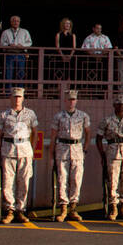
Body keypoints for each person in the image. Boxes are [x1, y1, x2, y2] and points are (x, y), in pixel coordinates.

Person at [0, 86, 40, 223]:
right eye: (15, 96)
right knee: (8, 182)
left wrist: (32, 150)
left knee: (24, 181)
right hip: (8, 150)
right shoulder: (4, 115)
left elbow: (35, 133)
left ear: (23, 98)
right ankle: (10, 210)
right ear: (11, 98)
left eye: (19, 97)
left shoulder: (30, 114)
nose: (17, 99)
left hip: (25, 150)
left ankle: (21, 210)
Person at [97, 93, 123, 221]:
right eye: (118, 104)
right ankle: (113, 207)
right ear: (114, 105)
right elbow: (98, 139)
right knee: (113, 180)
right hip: (112, 151)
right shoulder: (107, 121)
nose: (121, 107)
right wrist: (102, 155)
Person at [51, 88, 92, 223]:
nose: (71, 102)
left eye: (73, 99)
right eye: (69, 99)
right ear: (65, 100)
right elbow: (53, 136)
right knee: (62, 179)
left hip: (77, 149)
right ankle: (63, 208)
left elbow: (88, 133)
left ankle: (73, 208)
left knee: (76, 179)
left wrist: (85, 148)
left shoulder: (83, 116)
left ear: (76, 101)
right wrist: (52, 153)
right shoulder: (58, 116)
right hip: (62, 148)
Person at [0, 16, 32, 89]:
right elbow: (1, 43)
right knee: (8, 73)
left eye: (17, 21)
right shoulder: (6, 32)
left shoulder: (25, 31)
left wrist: (22, 45)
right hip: (9, 54)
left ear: (19, 22)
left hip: (21, 54)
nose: (15, 22)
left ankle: (19, 91)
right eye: (14, 21)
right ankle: (8, 92)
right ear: (11, 22)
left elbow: (29, 42)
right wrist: (9, 45)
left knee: (20, 73)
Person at [81, 22, 112, 89]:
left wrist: (100, 55)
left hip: (103, 58)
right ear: (93, 29)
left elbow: (108, 48)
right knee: (91, 74)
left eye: (100, 28)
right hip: (92, 58)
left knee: (103, 74)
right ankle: (91, 88)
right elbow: (85, 48)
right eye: (97, 28)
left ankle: (102, 90)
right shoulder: (89, 38)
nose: (99, 30)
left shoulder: (105, 37)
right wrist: (95, 56)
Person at [53, 18, 77, 87]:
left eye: (69, 23)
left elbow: (74, 47)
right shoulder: (58, 34)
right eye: (66, 23)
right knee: (59, 74)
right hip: (61, 56)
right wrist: (62, 56)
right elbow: (58, 46)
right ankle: (59, 91)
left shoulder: (73, 35)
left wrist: (70, 56)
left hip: (70, 56)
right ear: (63, 24)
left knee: (69, 74)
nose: (67, 25)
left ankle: (68, 91)